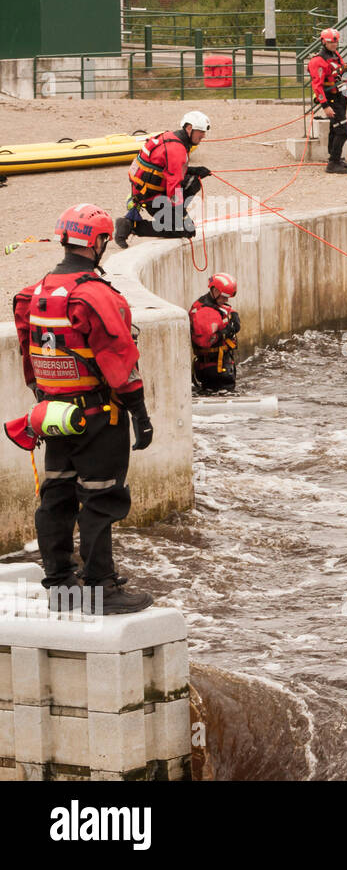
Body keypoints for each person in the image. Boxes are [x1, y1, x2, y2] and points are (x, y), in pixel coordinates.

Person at [12, 204, 156, 615]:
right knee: (100, 498)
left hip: (54, 415)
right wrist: (139, 413)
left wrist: (45, 399)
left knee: (56, 497)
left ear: (62, 238)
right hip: (98, 417)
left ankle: (60, 583)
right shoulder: (94, 294)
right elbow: (119, 359)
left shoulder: (33, 293)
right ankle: (100, 587)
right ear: (98, 243)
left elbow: (30, 356)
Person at [116, 110, 212, 248]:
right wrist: (185, 218)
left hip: (144, 190)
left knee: (194, 180)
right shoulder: (177, 150)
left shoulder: (171, 137)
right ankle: (132, 225)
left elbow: (168, 169)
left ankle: (173, 216)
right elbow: (175, 189)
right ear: (189, 128)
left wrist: (195, 170)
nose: (204, 136)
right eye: (201, 132)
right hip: (151, 196)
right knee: (181, 230)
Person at [308, 28, 347, 175]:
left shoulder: (335, 55)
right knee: (343, 131)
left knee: (335, 130)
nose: (334, 45)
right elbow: (317, 86)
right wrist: (325, 106)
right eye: (330, 42)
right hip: (331, 99)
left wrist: (346, 69)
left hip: (341, 96)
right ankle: (333, 163)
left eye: (335, 42)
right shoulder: (318, 61)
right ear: (323, 42)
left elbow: (339, 71)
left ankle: (335, 158)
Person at [190, 273, 241, 394]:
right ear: (215, 291)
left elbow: (222, 310)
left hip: (218, 366)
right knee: (221, 393)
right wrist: (225, 332)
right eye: (224, 297)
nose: (226, 300)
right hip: (215, 370)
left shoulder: (212, 304)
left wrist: (233, 315)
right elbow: (205, 342)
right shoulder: (204, 312)